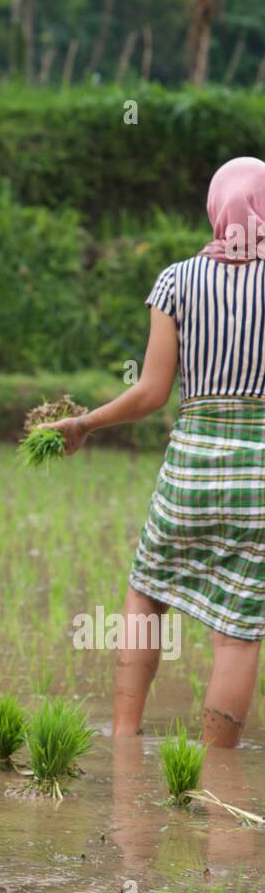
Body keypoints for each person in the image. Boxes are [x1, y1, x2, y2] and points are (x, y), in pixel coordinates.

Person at [43, 156, 265, 748]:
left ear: (217, 210)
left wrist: (85, 423)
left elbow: (151, 391)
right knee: (238, 631)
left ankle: (122, 739)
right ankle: (216, 772)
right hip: (259, 482)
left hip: (190, 470)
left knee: (147, 592)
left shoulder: (176, 281)